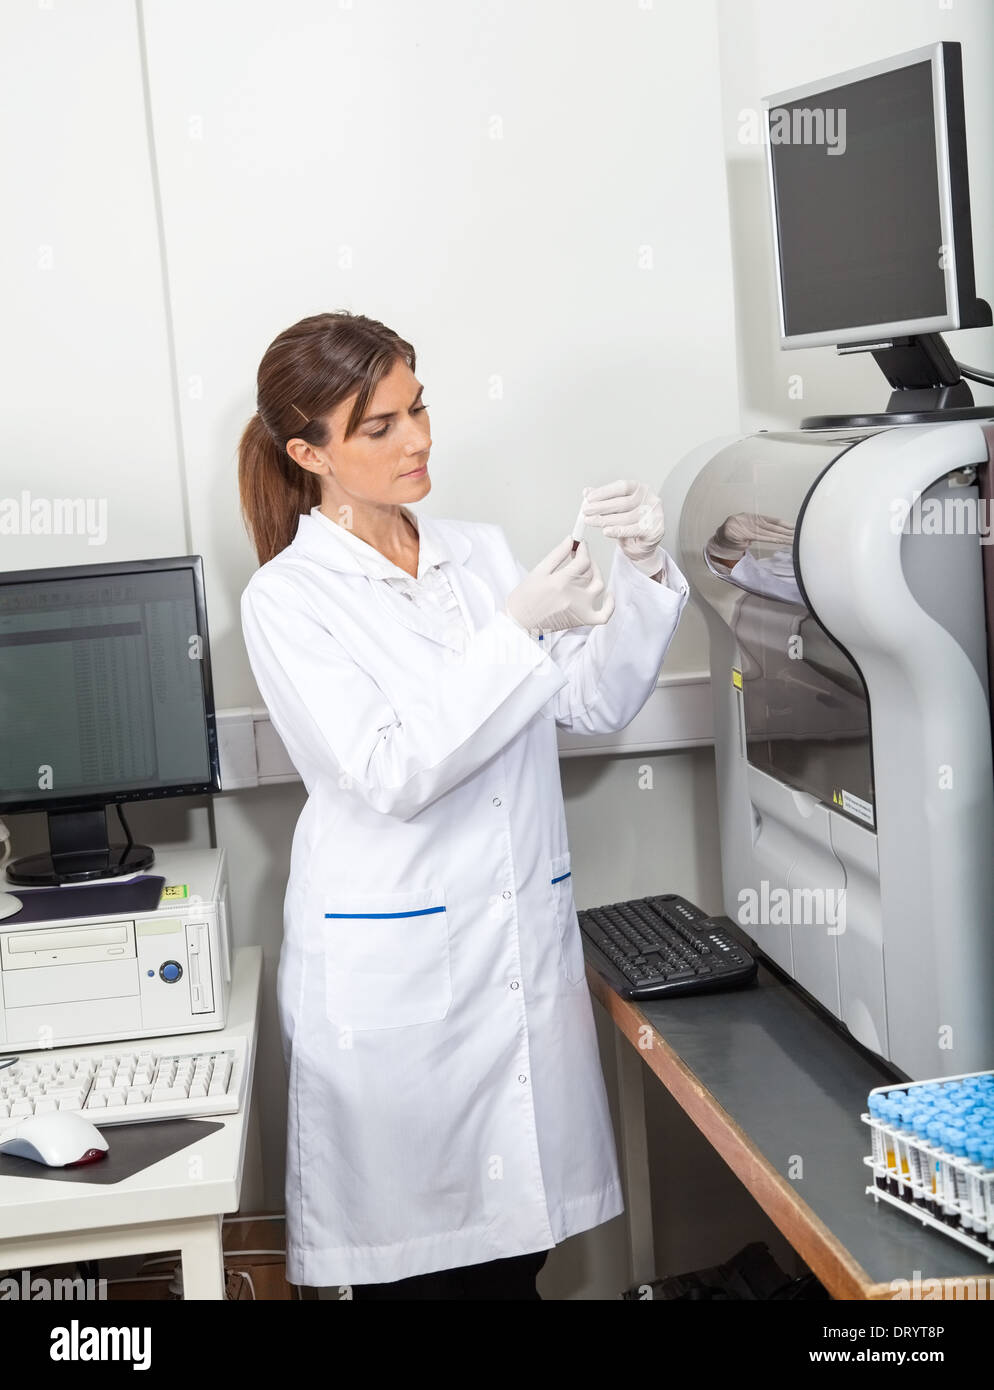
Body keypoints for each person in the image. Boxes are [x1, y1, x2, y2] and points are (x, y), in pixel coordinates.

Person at [237, 310, 690, 1299]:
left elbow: (592, 699)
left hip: (515, 973)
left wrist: (644, 569)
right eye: (379, 426)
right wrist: (519, 631)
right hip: (395, 998)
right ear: (308, 451)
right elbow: (390, 770)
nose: (418, 439)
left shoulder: (477, 554)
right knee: (430, 1284)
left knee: (518, 1258)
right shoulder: (288, 599)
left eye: (419, 406)